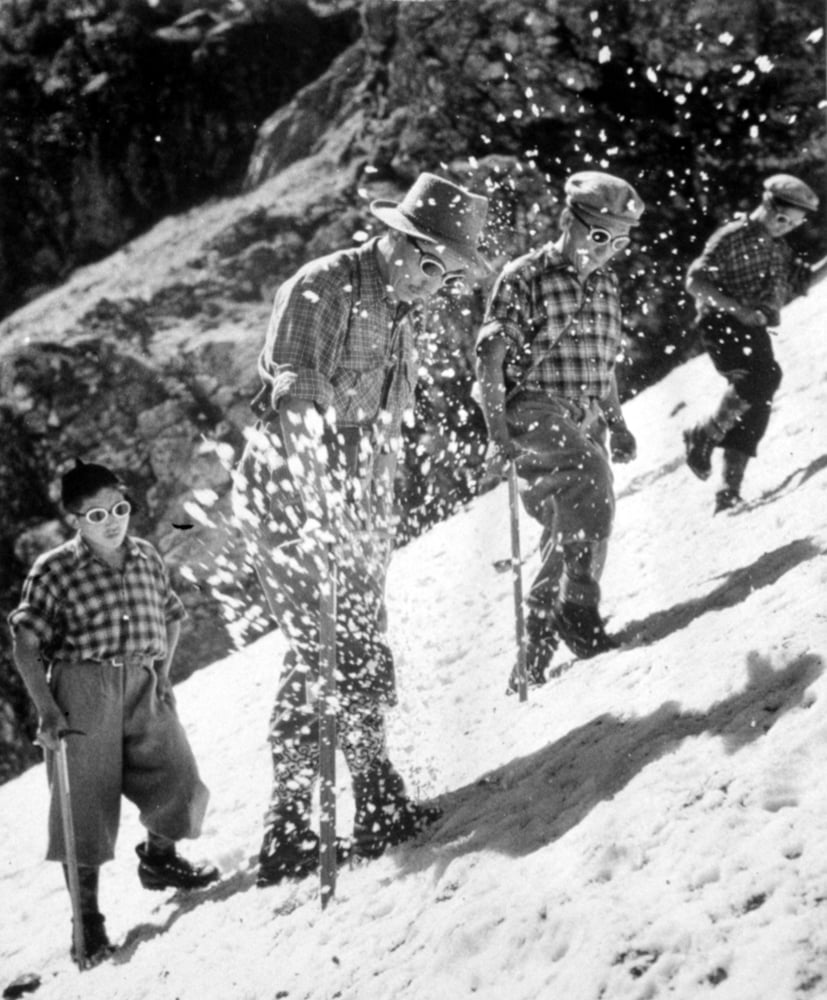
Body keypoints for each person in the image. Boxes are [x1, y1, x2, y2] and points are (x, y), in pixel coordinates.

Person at [233, 172, 490, 886]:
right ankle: (345, 806)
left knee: (342, 647)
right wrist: (319, 508)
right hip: (294, 498)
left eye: (448, 275)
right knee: (332, 649)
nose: (436, 286)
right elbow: (297, 404)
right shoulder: (324, 286)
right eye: (431, 266)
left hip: (357, 502)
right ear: (397, 239)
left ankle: (320, 813)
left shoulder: (403, 304)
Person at [8, 460, 218, 966]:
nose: (112, 521)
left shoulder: (145, 556)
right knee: (84, 808)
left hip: (143, 682)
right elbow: (25, 644)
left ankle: (161, 860)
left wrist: (162, 672)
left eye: (119, 509)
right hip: (83, 690)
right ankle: (88, 923)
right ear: (76, 519)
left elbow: (171, 615)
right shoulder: (55, 569)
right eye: (97, 514)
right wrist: (46, 710)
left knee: (178, 777)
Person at [475, 170, 644, 689]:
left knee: (572, 521)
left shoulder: (607, 284)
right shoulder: (525, 275)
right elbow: (489, 357)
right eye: (600, 236)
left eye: (619, 242)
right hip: (531, 409)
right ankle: (579, 609)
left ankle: (533, 656)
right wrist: (497, 436)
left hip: (584, 414)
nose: (607, 251)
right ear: (569, 221)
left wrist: (617, 423)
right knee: (590, 478)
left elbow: (602, 365)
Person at [683, 173, 819, 512]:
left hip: (754, 328)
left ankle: (728, 490)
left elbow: (802, 279)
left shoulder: (778, 248)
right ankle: (703, 433)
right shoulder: (732, 236)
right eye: (782, 218)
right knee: (763, 377)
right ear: (767, 205)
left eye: (793, 224)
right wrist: (738, 310)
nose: (784, 227)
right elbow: (695, 282)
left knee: (758, 400)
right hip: (721, 324)